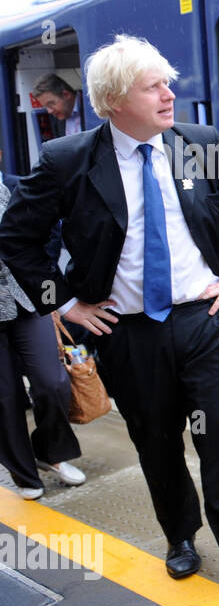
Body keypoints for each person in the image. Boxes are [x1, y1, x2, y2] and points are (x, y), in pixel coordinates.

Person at [0, 34, 219, 603]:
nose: (168, 95)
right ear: (115, 101)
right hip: (128, 333)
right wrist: (65, 304)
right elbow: (17, 238)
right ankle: (180, 538)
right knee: (156, 444)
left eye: (168, 82)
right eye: (153, 86)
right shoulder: (68, 161)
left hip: (204, 323)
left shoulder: (202, 143)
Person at [0, 181, 86, 499]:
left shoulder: (12, 185)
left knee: (53, 382)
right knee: (5, 397)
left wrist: (46, 288)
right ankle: (24, 474)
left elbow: (48, 230)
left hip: (27, 299)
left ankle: (52, 454)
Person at [33, 74, 85, 138]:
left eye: (50, 104)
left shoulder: (92, 105)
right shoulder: (57, 117)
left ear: (66, 95)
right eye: (46, 107)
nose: (49, 111)